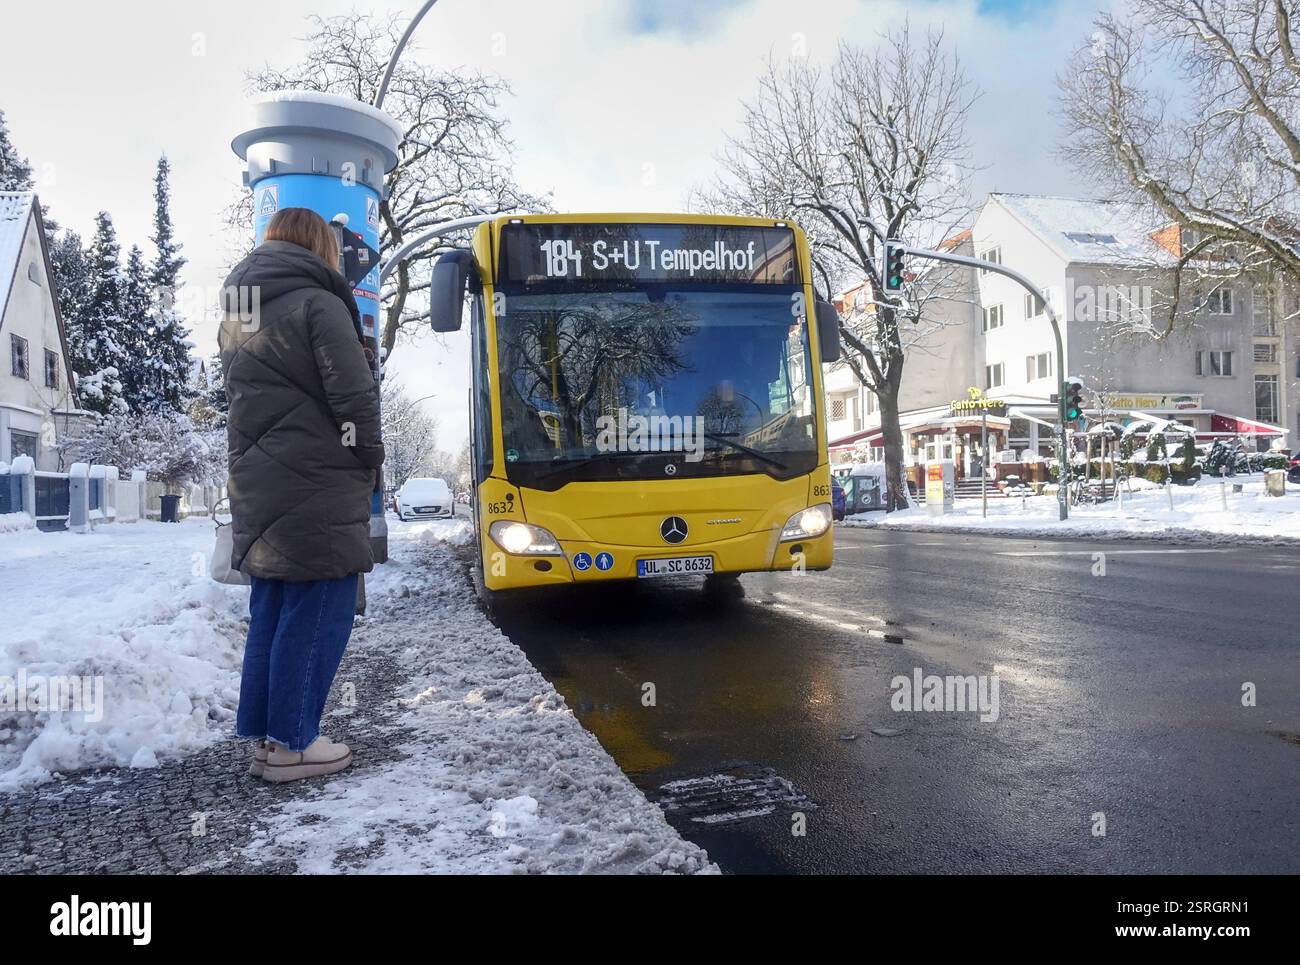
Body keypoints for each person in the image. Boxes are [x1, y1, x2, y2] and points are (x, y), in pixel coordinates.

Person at [217, 208, 384, 783]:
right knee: (318, 607)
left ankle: (269, 740)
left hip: (257, 480)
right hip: (316, 479)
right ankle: (293, 744)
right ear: (321, 248)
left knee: (273, 609)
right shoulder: (321, 303)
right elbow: (355, 398)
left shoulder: (238, 306)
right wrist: (369, 460)